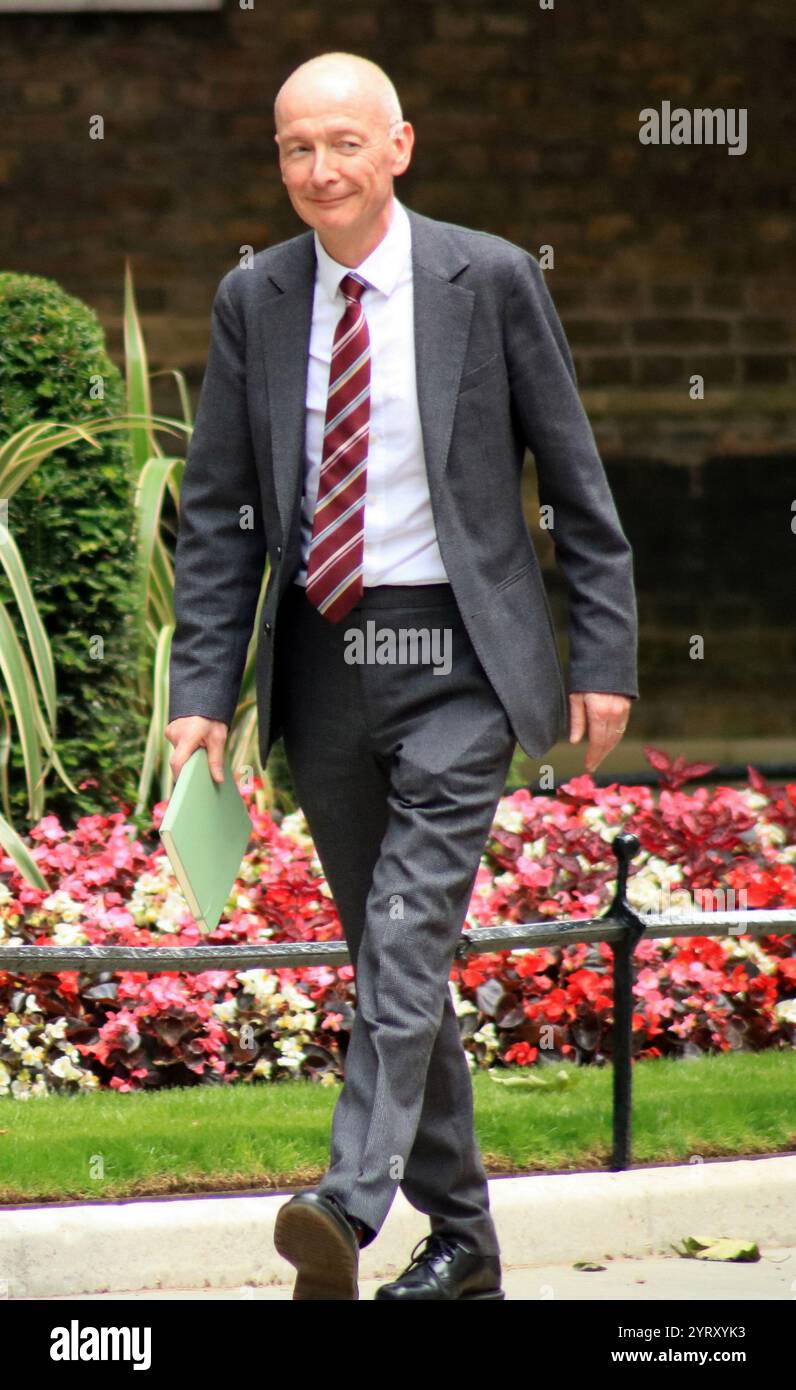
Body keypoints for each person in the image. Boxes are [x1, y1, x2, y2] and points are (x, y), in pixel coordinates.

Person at [165, 50, 638, 1301]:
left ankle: (348, 1199)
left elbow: (575, 480)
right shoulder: (253, 295)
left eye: (342, 145)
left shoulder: (486, 278)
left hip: (457, 658)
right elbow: (215, 514)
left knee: (404, 929)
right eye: (293, 150)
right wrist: (201, 695)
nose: (318, 171)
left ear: (399, 146)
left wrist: (604, 653)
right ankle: (468, 1248)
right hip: (321, 661)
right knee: (398, 958)